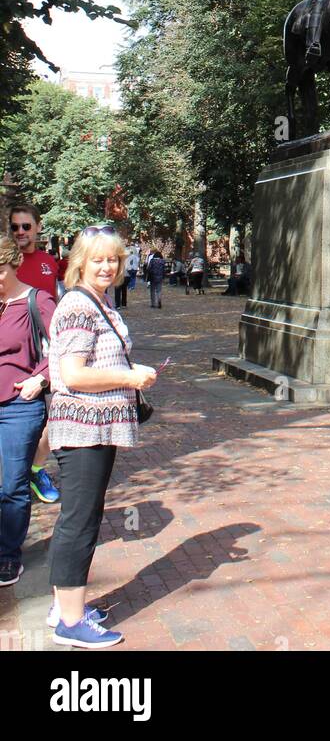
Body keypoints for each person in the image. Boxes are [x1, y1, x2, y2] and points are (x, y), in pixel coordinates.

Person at [46, 223, 157, 648]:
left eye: (113, 258)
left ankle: (65, 605)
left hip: (98, 426)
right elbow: (73, 374)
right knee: (80, 521)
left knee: (79, 517)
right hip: (82, 428)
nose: (107, 266)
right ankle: (70, 623)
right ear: (80, 263)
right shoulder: (78, 306)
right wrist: (128, 376)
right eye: (98, 259)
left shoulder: (99, 301)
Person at [0, 236, 55, 586]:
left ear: (11, 265)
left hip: (19, 407)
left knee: (11, 486)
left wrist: (41, 379)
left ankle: (8, 556)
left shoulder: (38, 301)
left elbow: (65, 350)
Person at [9, 203, 60, 505]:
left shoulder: (48, 261)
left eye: (26, 226)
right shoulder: (6, 261)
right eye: (15, 227)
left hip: (46, 349)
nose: (20, 232)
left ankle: (35, 469)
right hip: (14, 350)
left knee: (58, 415)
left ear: (38, 228)